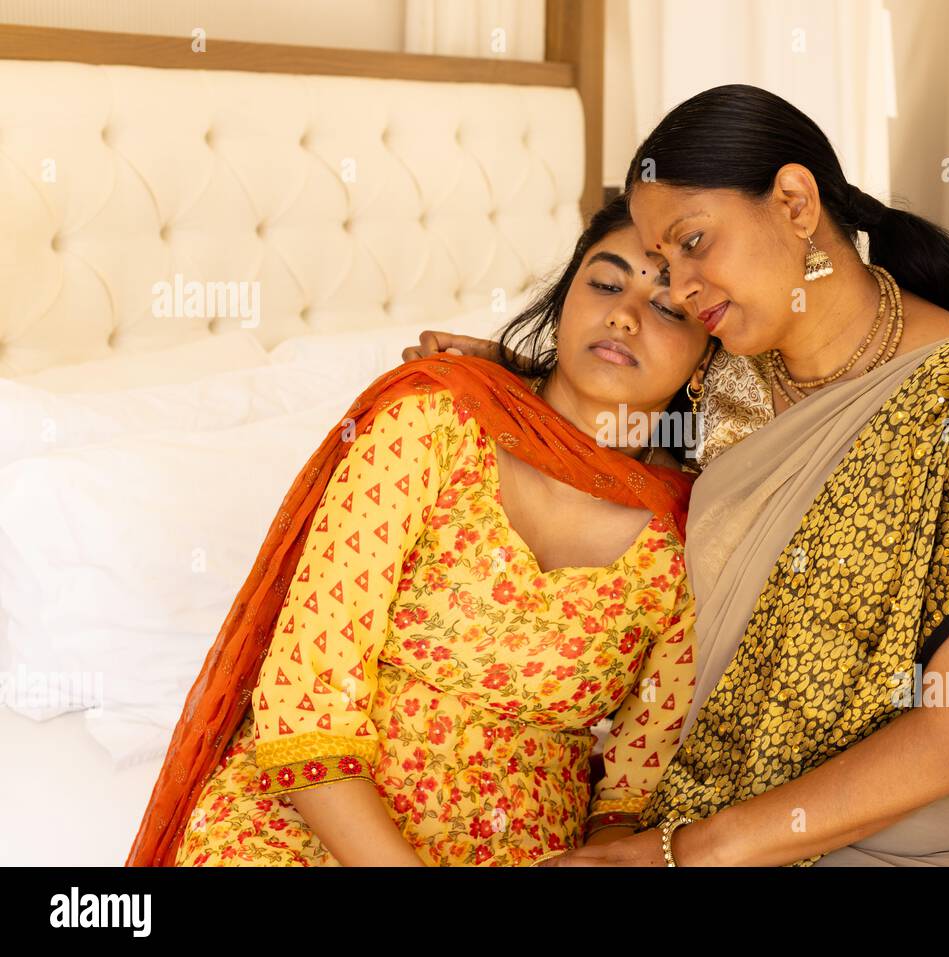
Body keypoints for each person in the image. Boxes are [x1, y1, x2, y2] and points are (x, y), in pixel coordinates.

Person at [405, 84, 949, 867]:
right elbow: (619, 431)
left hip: (884, 834)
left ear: (795, 202)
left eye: (693, 242)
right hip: (696, 814)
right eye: (662, 262)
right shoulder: (725, 379)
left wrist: (679, 853)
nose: (679, 287)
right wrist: (516, 378)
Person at [126, 195, 711, 866]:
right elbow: (307, 700)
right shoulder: (432, 421)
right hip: (306, 818)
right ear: (563, 304)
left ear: (706, 357)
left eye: (668, 308)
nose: (622, 313)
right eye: (604, 283)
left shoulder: (685, 535)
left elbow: (629, 793)